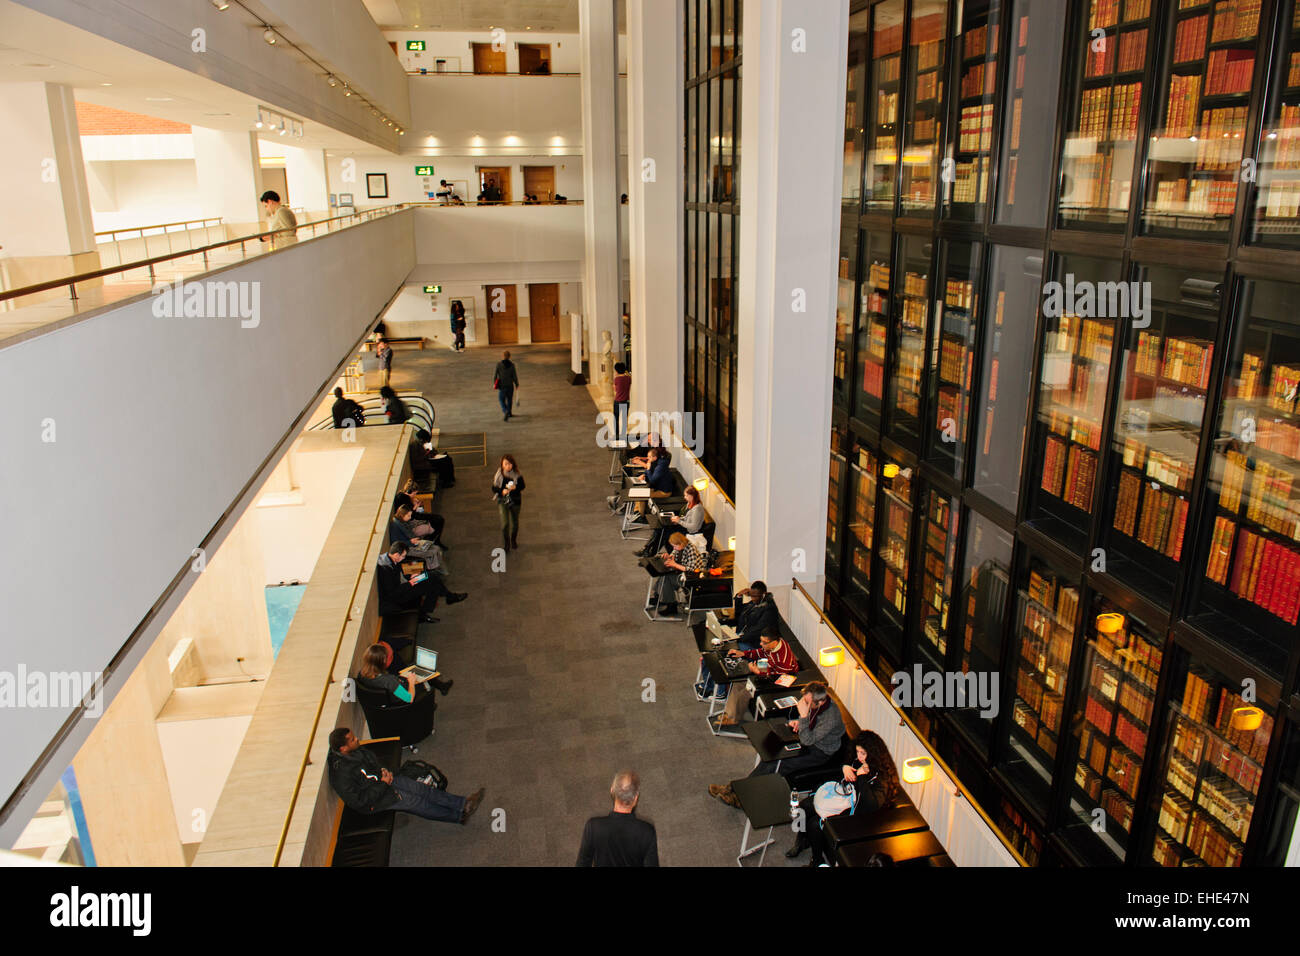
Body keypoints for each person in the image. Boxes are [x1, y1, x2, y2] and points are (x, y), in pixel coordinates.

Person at [709, 682, 845, 808]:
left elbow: (807, 740)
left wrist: (803, 718)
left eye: (808, 702)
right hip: (810, 740)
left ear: (821, 701)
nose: (805, 704)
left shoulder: (831, 718)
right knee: (770, 755)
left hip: (820, 752)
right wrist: (799, 721)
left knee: (778, 764)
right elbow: (810, 723)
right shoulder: (817, 704)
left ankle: (741, 797)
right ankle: (735, 788)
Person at [787, 731, 900, 866]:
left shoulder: (881, 779)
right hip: (845, 799)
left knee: (814, 824)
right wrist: (845, 767)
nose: (859, 757)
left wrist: (861, 777)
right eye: (858, 752)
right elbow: (849, 765)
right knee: (804, 805)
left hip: (859, 814)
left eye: (863, 753)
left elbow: (869, 805)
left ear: (873, 754)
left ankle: (816, 861)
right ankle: (801, 839)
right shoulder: (860, 761)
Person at [328, 728, 482, 824]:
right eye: (353, 740)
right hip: (377, 800)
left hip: (385, 781)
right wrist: (384, 783)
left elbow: (373, 762)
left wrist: (384, 771)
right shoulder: (341, 775)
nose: (357, 740)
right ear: (343, 748)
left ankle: (463, 804)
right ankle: (458, 817)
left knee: (423, 790)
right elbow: (359, 801)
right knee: (420, 803)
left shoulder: (355, 751)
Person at [715, 630, 800, 727]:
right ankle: (729, 714)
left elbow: (777, 676)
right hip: (769, 672)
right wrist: (743, 654)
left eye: (764, 642)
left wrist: (758, 672)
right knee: (737, 683)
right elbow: (761, 652)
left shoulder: (784, 660)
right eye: (761, 641)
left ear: (774, 642)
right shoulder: (775, 644)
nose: (760, 644)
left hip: (778, 683)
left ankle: (734, 719)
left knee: (745, 693)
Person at [575, 771, 659, 867]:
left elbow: (582, 863)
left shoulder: (593, 826)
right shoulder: (647, 831)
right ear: (635, 798)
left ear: (612, 791)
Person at [376, 541, 467, 624]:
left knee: (431, 577)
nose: (404, 558)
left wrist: (413, 571)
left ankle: (445, 599)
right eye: (403, 556)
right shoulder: (385, 570)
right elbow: (393, 592)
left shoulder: (389, 558)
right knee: (432, 581)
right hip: (401, 594)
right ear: (396, 554)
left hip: (406, 582)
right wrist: (411, 582)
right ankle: (446, 599)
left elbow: (401, 568)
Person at [356, 642, 452, 698]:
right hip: (401, 697)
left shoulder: (362, 674)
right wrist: (411, 682)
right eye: (389, 657)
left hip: (389, 695)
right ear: (384, 662)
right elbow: (408, 697)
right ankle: (428, 700)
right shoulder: (389, 681)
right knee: (422, 681)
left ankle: (441, 686)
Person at [637, 485, 704, 558]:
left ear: (692, 496)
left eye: (686, 496)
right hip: (684, 526)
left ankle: (649, 551)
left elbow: (694, 527)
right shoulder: (690, 504)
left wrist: (679, 521)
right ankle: (648, 549)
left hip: (690, 531)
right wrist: (680, 518)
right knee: (660, 529)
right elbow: (688, 518)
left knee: (664, 532)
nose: (684, 497)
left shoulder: (697, 509)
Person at [650, 532, 705, 617]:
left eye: (675, 546)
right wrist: (668, 557)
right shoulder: (679, 547)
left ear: (682, 543)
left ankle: (670, 604)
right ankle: (660, 596)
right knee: (664, 575)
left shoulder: (691, 550)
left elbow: (692, 570)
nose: (674, 548)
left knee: (666, 579)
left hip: (691, 577)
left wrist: (675, 565)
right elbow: (674, 556)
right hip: (681, 573)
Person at [725, 580, 778, 650]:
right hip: (742, 637)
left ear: (763, 594)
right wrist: (739, 596)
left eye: (756, 596)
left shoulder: (769, 609)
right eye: (752, 596)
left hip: (753, 643)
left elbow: (757, 631)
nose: (753, 599)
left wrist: (738, 639)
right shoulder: (756, 602)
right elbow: (740, 612)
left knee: (727, 648)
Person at [492, 454, 525, 552]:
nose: (508, 466)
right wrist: (501, 491)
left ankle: (513, 539)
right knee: (505, 523)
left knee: (515, 522)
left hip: (515, 500)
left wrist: (515, 488)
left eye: (510, 464)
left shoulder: (517, 474)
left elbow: (523, 486)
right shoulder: (499, 474)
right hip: (503, 500)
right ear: (502, 465)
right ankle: (507, 542)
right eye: (505, 464)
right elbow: (494, 488)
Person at [494, 350, 520, 421]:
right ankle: (510, 413)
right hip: (510, 385)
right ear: (509, 356)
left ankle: (505, 411)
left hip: (502, 385)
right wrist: (517, 384)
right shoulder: (512, 365)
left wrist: (494, 383)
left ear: (502, 356)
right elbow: (514, 376)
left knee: (501, 399)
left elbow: (495, 375)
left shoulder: (499, 364)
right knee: (509, 399)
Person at [612, 362, 631, 441]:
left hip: (617, 401)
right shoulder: (628, 378)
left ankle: (616, 436)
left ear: (616, 370)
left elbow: (615, 390)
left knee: (616, 419)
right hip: (626, 401)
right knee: (624, 419)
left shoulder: (616, 379)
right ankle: (623, 435)